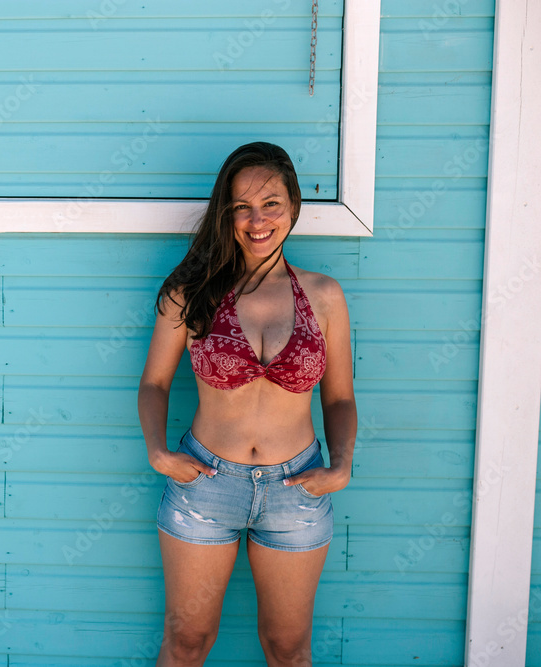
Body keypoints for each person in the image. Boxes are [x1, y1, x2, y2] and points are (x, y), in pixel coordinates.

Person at [137, 141, 357, 666]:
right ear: (226, 214)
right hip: (205, 489)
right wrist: (158, 453)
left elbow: (341, 397)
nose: (258, 220)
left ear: (294, 205)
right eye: (242, 207)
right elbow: (154, 384)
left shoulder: (324, 296)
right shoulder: (192, 293)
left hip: (296, 490)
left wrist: (343, 464)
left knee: (288, 649)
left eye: (271, 204)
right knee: (186, 644)